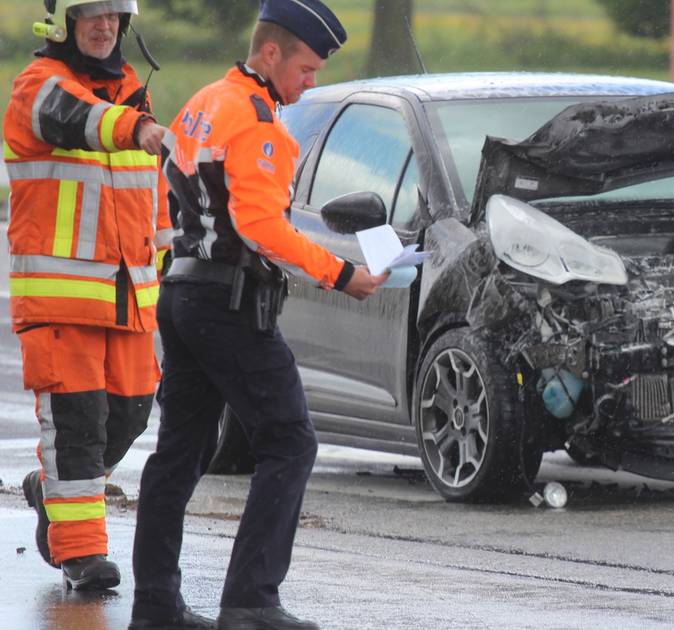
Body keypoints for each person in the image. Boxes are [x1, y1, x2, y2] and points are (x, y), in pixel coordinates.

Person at [128, 1, 387, 628]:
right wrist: (341, 273)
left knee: (178, 453)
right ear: (271, 54)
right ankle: (250, 600)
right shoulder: (256, 120)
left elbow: (176, 195)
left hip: (183, 294)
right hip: (230, 304)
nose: (310, 82)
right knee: (290, 441)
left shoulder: (203, 102)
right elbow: (261, 226)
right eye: (306, 69)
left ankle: (155, 604)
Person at [3, 0, 170, 591]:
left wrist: (170, 255)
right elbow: (78, 118)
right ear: (65, 23)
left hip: (129, 299)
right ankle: (80, 554)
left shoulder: (131, 91)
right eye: (91, 13)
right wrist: (136, 127)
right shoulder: (38, 87)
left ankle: (50, 491)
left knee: (129, 415)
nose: (104, 25)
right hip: (61, 302)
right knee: (78, 426)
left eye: (113, 15)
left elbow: (151, 191)